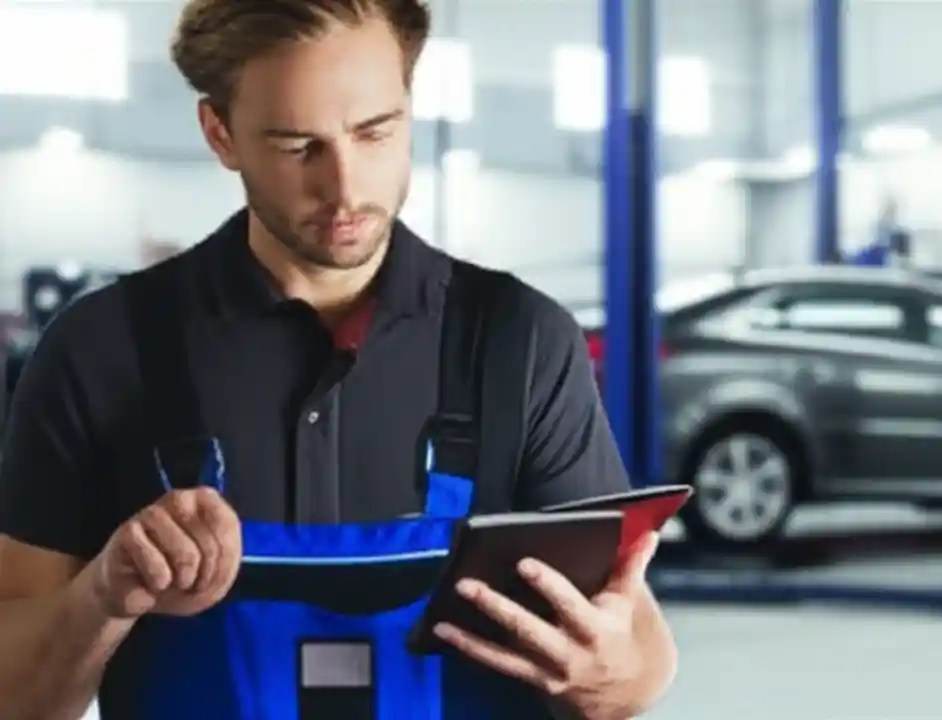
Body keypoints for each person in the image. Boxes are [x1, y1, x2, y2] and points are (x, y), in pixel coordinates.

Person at [0, 1, 678, 718]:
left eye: (375, 132)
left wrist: (611, 670)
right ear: (220, 134)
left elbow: (636, 658)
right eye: (298, 145)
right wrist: (102, 599)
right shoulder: (103, 349)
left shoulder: (522, 342)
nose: (346, 188)